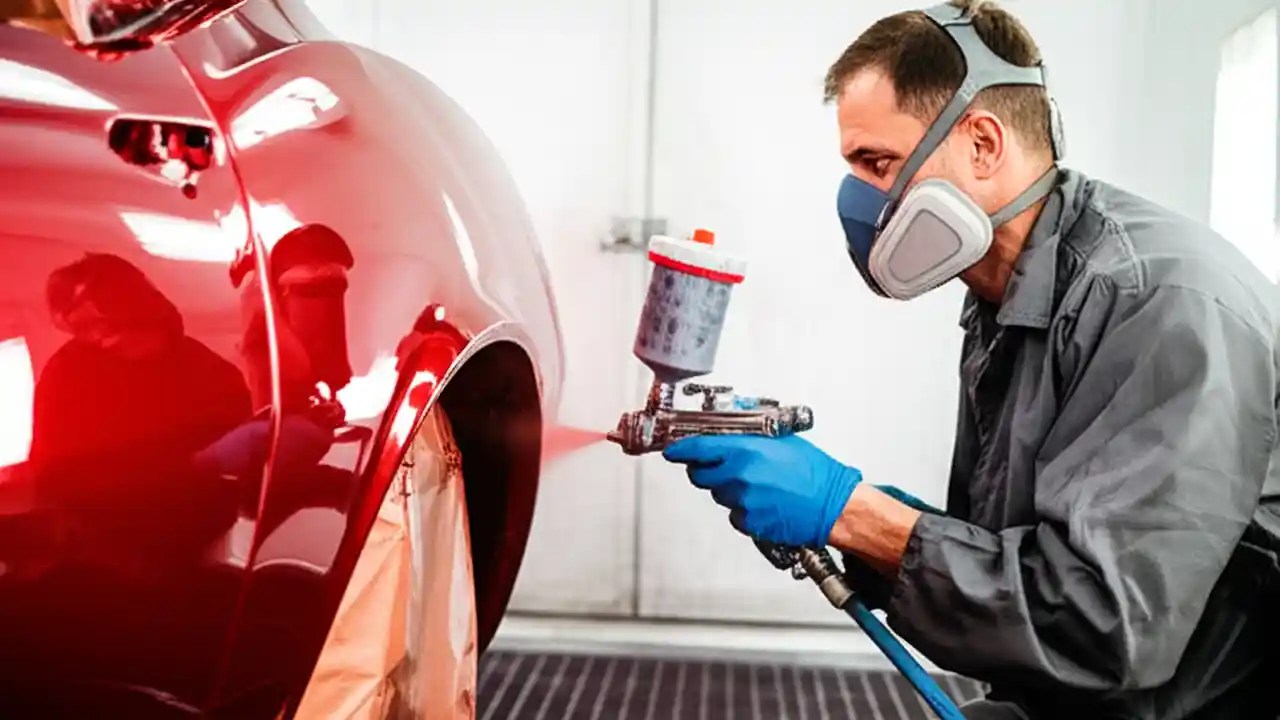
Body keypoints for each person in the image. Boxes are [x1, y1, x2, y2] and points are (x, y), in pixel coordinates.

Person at [661, 1, 1280, 718]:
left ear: (983, 145)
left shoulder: (1159, 302)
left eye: (878, 163)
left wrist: (850, 513)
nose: (859, 199)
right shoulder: (1009, 294)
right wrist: (867, 529)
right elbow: (1024, 555)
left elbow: (1111, 627)